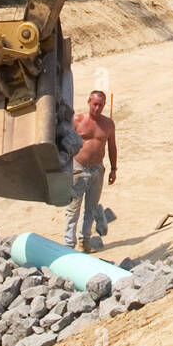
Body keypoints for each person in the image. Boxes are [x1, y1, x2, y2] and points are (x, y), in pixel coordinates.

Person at [64, 90, 117, 252]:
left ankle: (84, 241)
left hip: (97, 170)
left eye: (101, 105)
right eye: (95, 104)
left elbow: (112, 146)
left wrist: (114, 168)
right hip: (78, 168)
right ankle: (68, 245)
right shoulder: (77, 120)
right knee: (73, 208)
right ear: (88, 102)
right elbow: (64, 142)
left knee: (91, 208)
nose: (97, 108)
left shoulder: (108, 124)